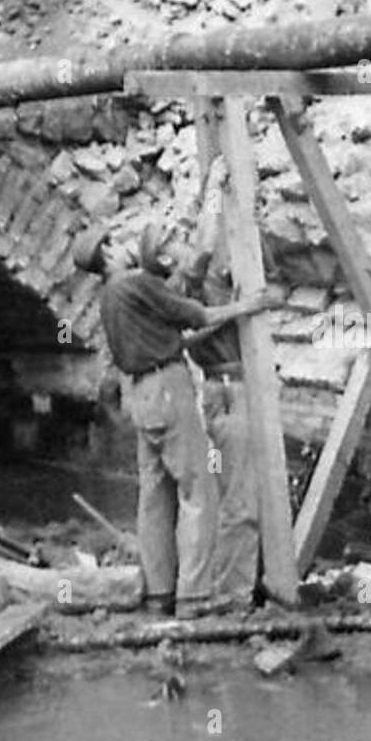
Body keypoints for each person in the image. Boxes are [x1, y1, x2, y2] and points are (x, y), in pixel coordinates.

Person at [73, 223, 276, 618]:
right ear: (108, 254)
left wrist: (217, 320)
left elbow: (174, 337)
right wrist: (248, 306)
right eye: (116, 244)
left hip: (140, 397)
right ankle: (195, 595)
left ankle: (158, 592)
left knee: (154, 496)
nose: (125, 247)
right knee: (199, 492)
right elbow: (196, 316)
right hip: (168, 389)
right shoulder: (135, 282)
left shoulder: (109, 298)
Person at [161, 217, 267, 616]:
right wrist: (238, 310)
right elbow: (185, 337)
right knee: (239, 499)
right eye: (176, 240)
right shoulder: (181, 291)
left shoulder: (203, 282)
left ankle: (230, 584)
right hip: (228, 393)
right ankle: (232, 598)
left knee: (231, 493)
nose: (188, 245)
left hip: (222, 392)